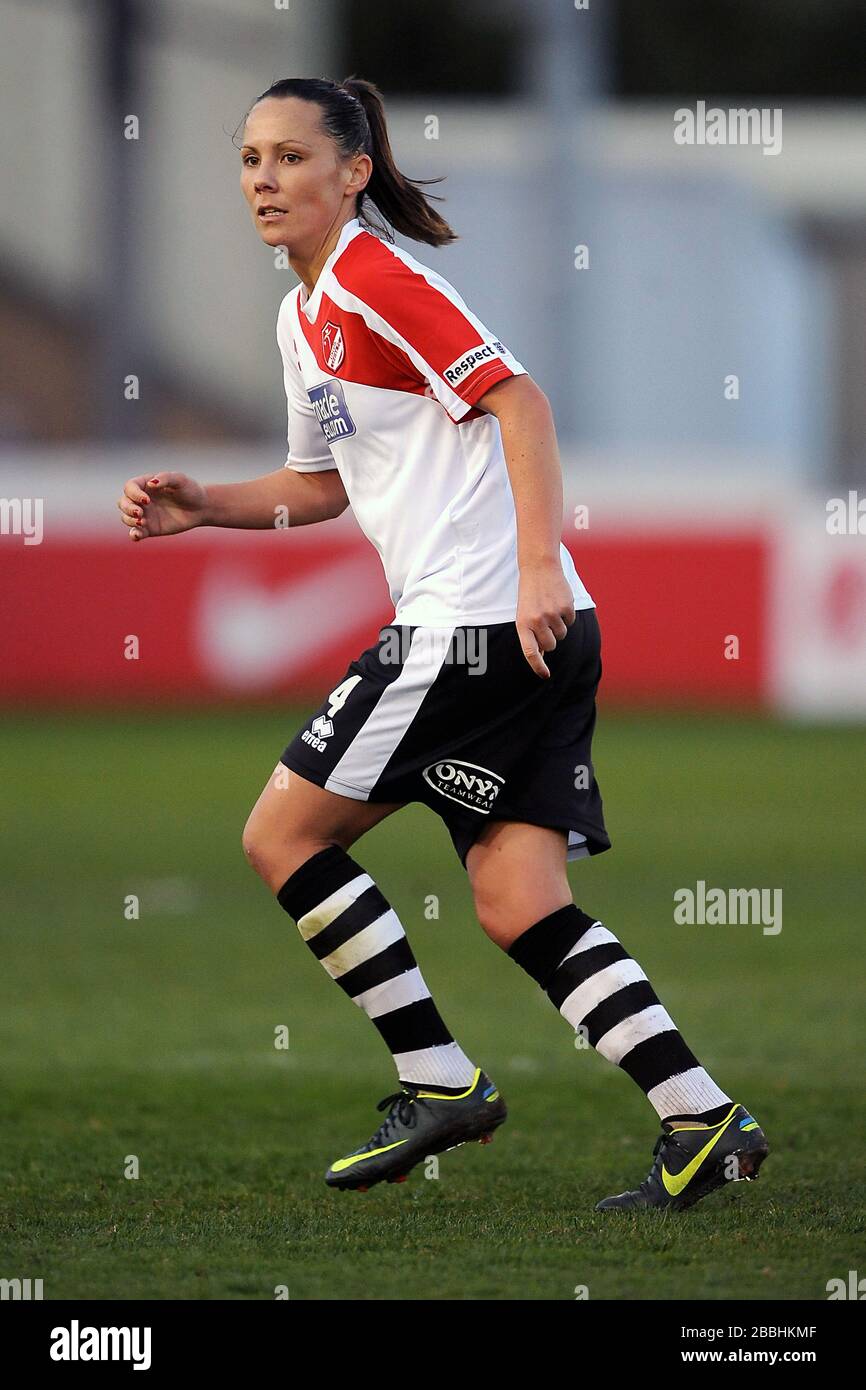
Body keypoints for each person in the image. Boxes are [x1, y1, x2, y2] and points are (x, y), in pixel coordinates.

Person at [117, 75, 769, 1210]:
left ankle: (437, 1080)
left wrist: (527, 572)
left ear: (351, 173)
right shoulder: (302, 311)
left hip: (476, 619)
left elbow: (517, 402)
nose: (262, 180)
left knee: (282, 834)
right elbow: (321, 485)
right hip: (521, 629)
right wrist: (206, 506)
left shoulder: (377, 279)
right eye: (249, 159)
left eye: (288, 158)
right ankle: (699, 1116)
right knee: (518, 898)